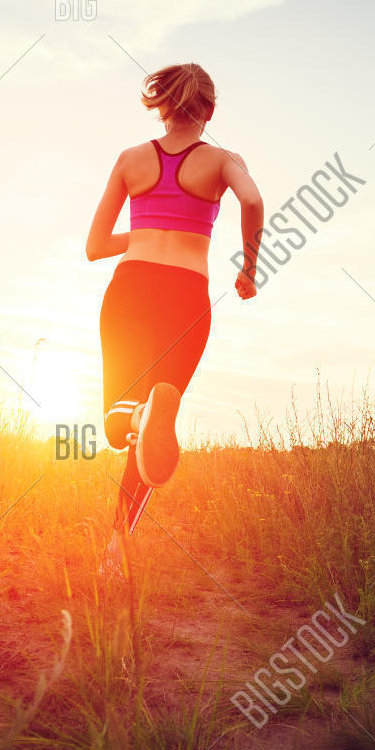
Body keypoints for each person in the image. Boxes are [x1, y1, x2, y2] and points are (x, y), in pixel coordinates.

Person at [84, 62, 264, 581]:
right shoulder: (224, 160)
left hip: (130, 291)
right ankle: (116, 550)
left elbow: (95, 247)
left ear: (161, 107)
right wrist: (249, 270)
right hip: (186, 299)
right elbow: (251, 198)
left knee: (120, 426)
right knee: (149, 439)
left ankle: (137, 418)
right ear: (209, 111)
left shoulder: (130, 160)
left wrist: (144, 233)